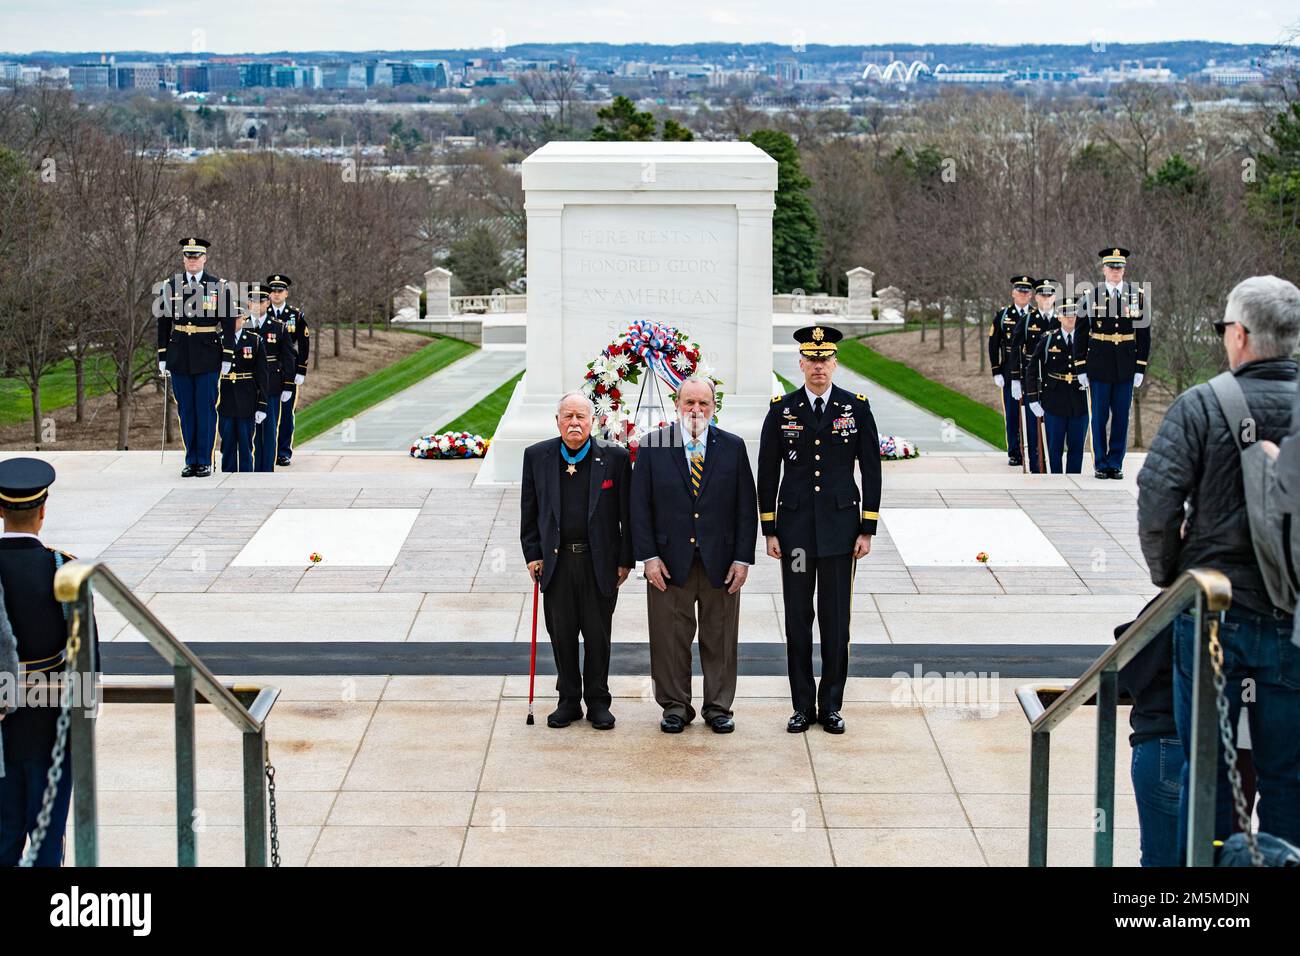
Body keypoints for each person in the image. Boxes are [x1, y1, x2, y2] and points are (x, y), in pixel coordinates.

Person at [1138, 274, 1300, 855]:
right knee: (1289, 777)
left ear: (1239, 335)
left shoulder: (1202, 405)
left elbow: (1157, 507)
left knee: (1204, 773)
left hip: (1212, 614)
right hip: (1294, 618)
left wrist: (1173, 578)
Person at [759, 325, 881, 734]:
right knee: (797, 618)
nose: (818, 367)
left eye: (824, 359)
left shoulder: (856, 408)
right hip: (794, 535)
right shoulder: (782, 410)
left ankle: (830, 704)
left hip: (839, 533)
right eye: (811, 360)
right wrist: (769, 529)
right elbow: (766, 471)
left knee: (835, 620)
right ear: (800, 363)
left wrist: (867, 527)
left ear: (835, 362)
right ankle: (800, 705)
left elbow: (872, 470)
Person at [631, 377, 758, 734]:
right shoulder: (653, 446)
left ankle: (718, 706)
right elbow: (639, 508)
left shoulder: (732, 447)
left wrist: (742, 558)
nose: (696, 410)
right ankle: (675, 705)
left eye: (704, 403)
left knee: (719, 636)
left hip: (721, 563)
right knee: (670, 637)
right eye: (690, 403)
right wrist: (649, 557)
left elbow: (746, 507)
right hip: (668, 565)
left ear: (714, 407)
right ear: (677, 404)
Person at [0, 458, 96, 867]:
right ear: (42, 511)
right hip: (50, 726)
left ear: (0, 511)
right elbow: (87, 658)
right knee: (45, 840)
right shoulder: (65, 570)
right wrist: (85, 722)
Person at [520, 393, 633, 730]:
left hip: (599, 564)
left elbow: (627, 515)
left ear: (593, 421)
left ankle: (598, 701)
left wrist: (626, 560)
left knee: (599, 637)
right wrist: (533, 553)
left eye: (581, 417)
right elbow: (529, 513)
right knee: (563, 636)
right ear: (557, 421)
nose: (574, 423)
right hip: (556, 564)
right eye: (567, 416)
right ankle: (568, 700)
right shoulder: (537, 456)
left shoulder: (615, 458)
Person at [157, 238, 234, 478]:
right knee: (186, 411)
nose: (192, 260)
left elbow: (229, 324)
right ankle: (191, 459)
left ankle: (205, 460)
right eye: (188, 256)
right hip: (180, 355)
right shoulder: (171, 286)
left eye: (196, 256)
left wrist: (227, 356)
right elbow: (163, 323)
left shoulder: (218, 286)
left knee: (206, 409)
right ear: (183, 259)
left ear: (204, 259)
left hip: (208, 355)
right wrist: (162, 355)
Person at [1081, 247, 1149, 480]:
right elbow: (1081, 333)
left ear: (1124, 270)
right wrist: (1081, 367)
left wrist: (1140, 367)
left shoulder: (1136, 296)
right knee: (1099, 417)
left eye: (1119, 268)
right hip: (1099, 364)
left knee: (1121, 416)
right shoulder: (1091, 296)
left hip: (1126, 365)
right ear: (1104, 270)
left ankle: (1115, 463)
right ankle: (1100, 463)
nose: (1115, 271)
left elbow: (1144, 333)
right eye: (1111, 268)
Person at [1025, 295, 1091, 474]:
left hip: (1079, 400)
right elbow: (1031, 369)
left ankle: (1073, 480)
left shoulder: (1088, 340)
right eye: (1066, 313)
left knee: (1076, 448)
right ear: (1058, 316)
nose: (1071, 317)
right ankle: (1055, 482)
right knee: (1054, 449)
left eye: (1074, 313)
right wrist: (1032, 399)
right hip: (1054, 400)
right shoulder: (1048, 339)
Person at [242, 284, 296, 472]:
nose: (257, 305)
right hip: (247, 385)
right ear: (248, 304)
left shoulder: (279, 327)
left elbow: (289, 358)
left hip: (271, 383)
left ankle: (265, 469)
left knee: (268, 429)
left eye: (262, 301)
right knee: (247, 430)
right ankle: (248, 468)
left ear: (267, 303)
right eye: (253, 301)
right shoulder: (242, 325)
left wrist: (288, 385)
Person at [988, 275, 1037, 467]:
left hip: (1032, 371)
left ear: (1031, 294)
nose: (1023, 294)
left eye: (1027, 291)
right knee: (1012, 413)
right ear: (1013, 293)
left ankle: (1033, 449)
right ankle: (1015, 452)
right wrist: (996, 370)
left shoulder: (1036, 315)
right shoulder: (1003, 315)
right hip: (1009, 370)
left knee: (1033, 413)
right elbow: (993, 344)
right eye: (1020, 291)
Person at [1012, 278, 1058, 472]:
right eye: (1042, 295)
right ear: (1036, 297)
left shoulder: (1060, 318)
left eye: (1049, 295)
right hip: (1033, 379)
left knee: (1054, 425)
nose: (1046, 299)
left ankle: (1052, 464)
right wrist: (1015, 378)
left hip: (1055, 380)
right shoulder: (1028, 319)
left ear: (1055, 297)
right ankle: (1034, 465)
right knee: (1032, 425)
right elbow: (1015, 348)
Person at [219, 307, 269, 474]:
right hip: (225, 396)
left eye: (237, 318)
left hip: (246, 396)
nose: (234, 322)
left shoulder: (254, 341)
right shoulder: (219, 340)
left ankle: (246, 476)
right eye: (230, 319)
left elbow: (262, 375)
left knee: (246, 442)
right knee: (227, 443)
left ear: (244, 319)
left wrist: (262, 404)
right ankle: (227, 474)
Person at [266, 275, 309, 467]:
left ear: (286, 293)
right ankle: (266, 449)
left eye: (279, 291)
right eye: (273, 291)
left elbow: (304, 343)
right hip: (266, 369)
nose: (276, 294)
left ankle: (283, 452)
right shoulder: (261, 312)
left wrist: (301, 369)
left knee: (285, 414)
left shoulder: (295, 315)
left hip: (288, 370)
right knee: (265, 410)